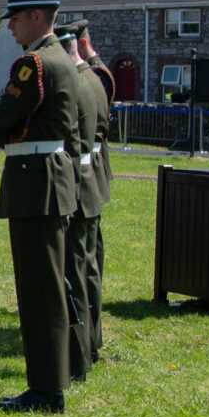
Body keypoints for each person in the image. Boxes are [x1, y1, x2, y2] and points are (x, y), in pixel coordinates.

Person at [0, 0, 82, 414]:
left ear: (38, 17)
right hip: (43, 177)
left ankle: (46, 389)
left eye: (17, 18)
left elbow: (1, 119)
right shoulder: (59, 59)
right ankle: (48, 382)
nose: (11, 26)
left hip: (36, 180)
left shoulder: (35, 64)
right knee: (46, 285)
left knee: (39, 290)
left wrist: (1, 127)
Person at [56, 18, 103, 384]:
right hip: (90, 180)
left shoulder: (75, 82)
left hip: (77, 181)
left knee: (76, 272)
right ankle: (91, 341)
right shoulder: (92, 77)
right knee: (87, 267)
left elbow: (75, 142)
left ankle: (81, 348)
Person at [74, 21, 116, 358]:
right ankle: (90, 332)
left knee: (89, 258)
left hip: (91, 166)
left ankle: (90, 334)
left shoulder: (95, 75)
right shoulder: (93, 73)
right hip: (91, 166)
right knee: (89, 256)